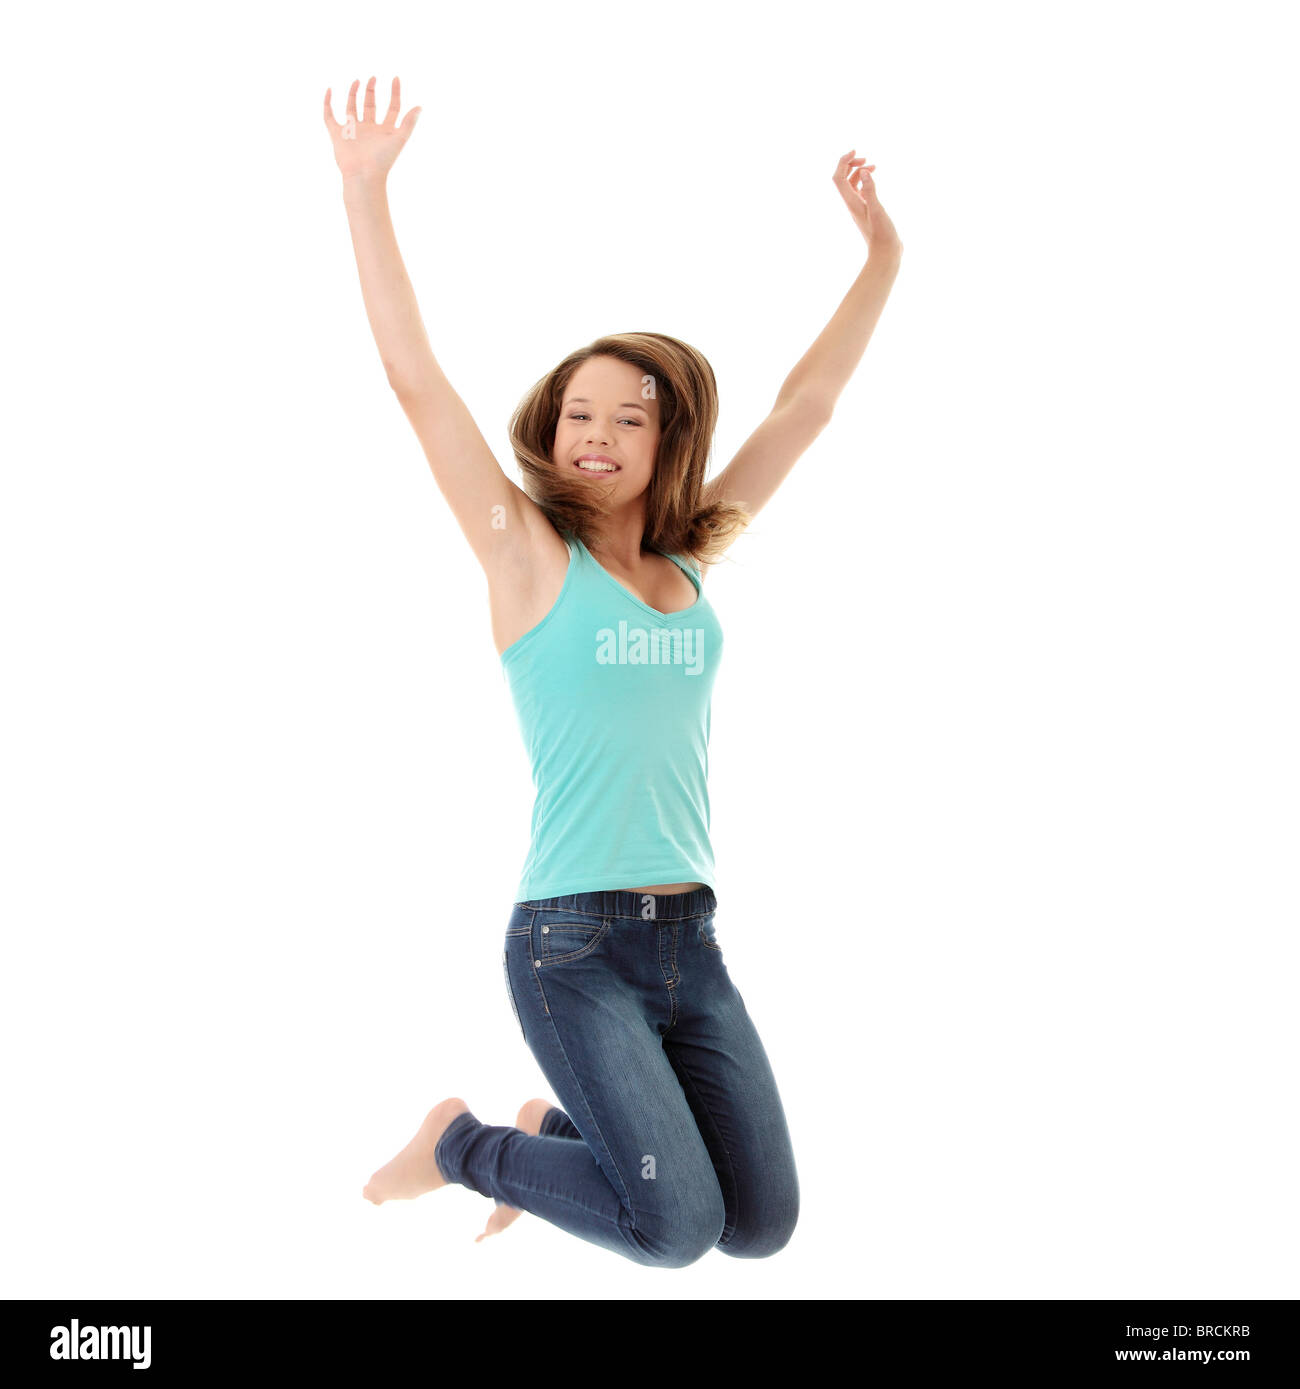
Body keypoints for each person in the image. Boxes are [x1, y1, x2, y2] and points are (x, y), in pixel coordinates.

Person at [323, 75, 903, 1267]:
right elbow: (418, 385)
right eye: (575, 413)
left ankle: (555, 1131)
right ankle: (463, 1146)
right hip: (571, 945)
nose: (593, 434)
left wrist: (881, 255)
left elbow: (809, 405)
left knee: (762, 1226)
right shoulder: (528, 558)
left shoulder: (693, 560)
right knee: (676, 1228)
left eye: (627, 419)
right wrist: (365, 190)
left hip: (689, 939)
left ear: (669, 441)